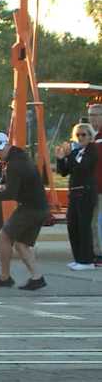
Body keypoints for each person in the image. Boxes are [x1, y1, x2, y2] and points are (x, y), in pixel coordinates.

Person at [0, 132, 49, 290]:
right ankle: (37, 278)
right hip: (38, 207)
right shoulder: (13, 158)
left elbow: (10, 194)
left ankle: (5, 277)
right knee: (21, 245)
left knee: (3, 236)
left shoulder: (15, 164)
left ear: (7, 145)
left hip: (31, 208)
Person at [55, 124, 98, 270]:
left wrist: (69, 156)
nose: (80, 137)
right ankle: (78, 258)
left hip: (85, 192)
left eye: (83, 134)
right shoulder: (76, 152)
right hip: (74, 193)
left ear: (90, 136)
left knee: (83, 226)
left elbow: (82, 169)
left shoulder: (92, 150)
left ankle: (87, 260)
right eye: (78, 135)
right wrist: (60, 159)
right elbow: (64, 172)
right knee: (73, 225)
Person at [89, 104, 102, 263]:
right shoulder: (96, 137)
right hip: (94, 187)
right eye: (90, 115)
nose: (92, 119)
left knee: (97, 222)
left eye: (95, 115)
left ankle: (99, 254)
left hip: (99, 188)